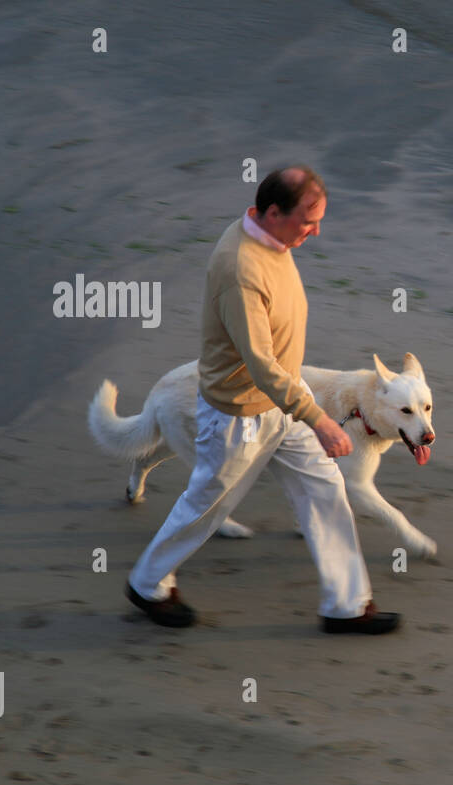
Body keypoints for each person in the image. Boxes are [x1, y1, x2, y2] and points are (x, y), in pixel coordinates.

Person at [124, 165, 400, 635]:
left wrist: (302, 406)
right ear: (272, 212)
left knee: (325, 490)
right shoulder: (240, 267)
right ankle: (147, 584)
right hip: (239, 415)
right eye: (307, 221)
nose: (315, 231)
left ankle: (347, 606)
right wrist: (320, 419)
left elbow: (276, 365)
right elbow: (260, 363)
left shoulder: (273, 240)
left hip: (284, 401)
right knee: (207, 506)